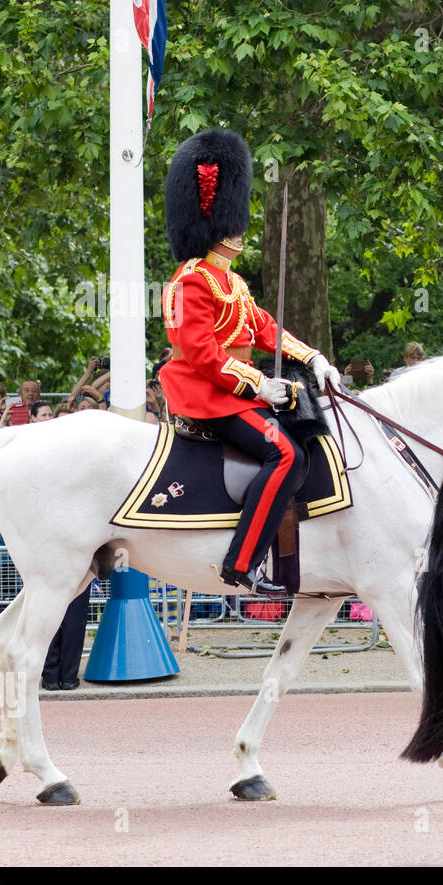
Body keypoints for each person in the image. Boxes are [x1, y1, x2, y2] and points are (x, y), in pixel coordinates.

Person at [160, 128, 343, 595]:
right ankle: (241, 563)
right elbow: (201, 353)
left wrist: (313, 356)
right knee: (284, 453)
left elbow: (263, 327)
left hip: (231, 391)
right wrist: (257, 385)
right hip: (209, 395)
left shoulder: (231, 281)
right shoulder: (191, 281)